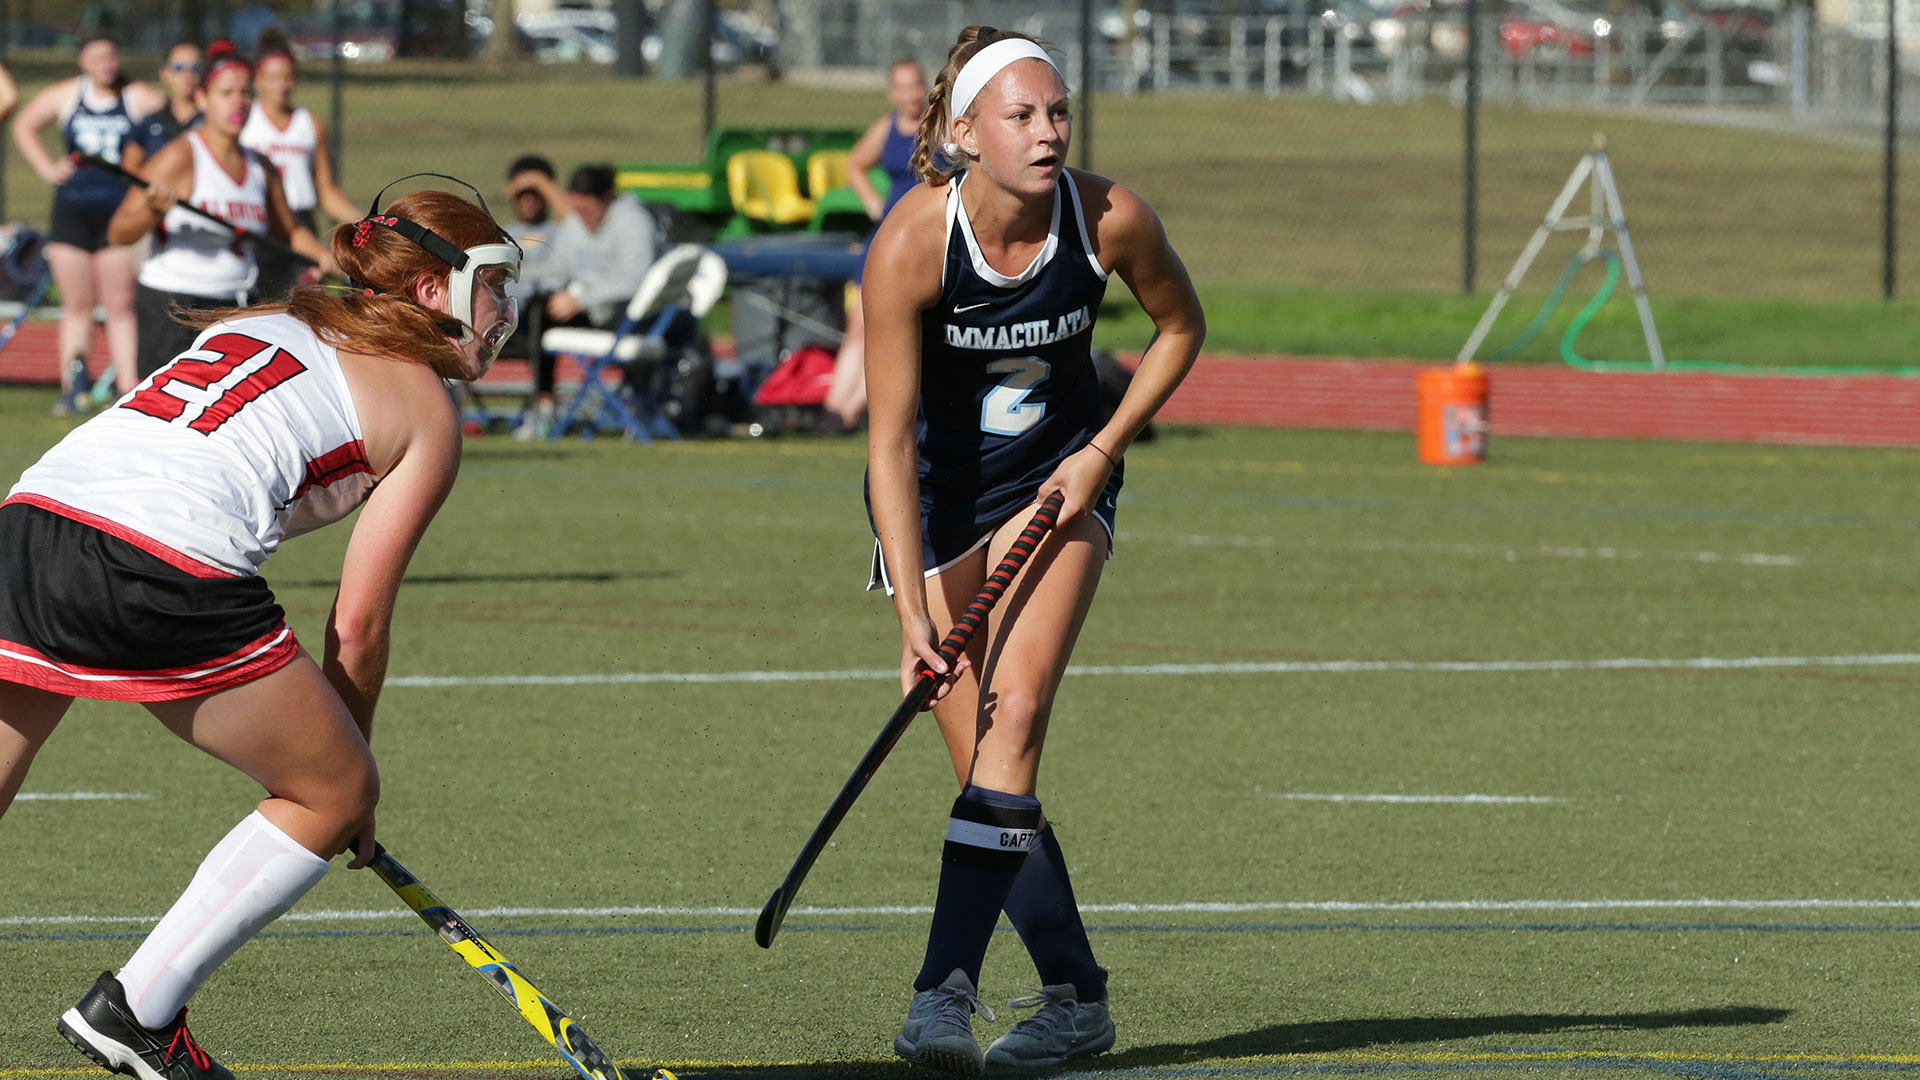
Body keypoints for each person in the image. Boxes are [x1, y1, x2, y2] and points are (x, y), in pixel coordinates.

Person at [0, 181, 522, 1080]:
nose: (506, 310)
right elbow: (355, 626)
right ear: (434, 289)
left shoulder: (267, 321)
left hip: (27, 520)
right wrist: (349, 784)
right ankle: (137, 1013)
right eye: (495, 284)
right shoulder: (430, 413)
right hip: (162, 563)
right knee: (328, 790)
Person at [862, 25, 1204, 1074]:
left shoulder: (1108, 218)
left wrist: (1103, 446)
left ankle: (938, 1001)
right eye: (1021, 116)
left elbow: (1180, 327)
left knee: (1013, 732)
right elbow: (885, 440)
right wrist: (915, 616)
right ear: (965, 133)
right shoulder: (914, 243)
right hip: (933, 503)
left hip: (1058, 486)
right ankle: (1079, 998)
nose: (1048, 132)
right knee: (987, 784)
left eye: (1057, 112)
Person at [109, 41, 333, 382]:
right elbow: (119, 231)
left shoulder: (260, 166)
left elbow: (288, 232)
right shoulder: (181, 157)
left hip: (236, 305)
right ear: (202, 98)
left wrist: (323, 255)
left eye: (245, 93)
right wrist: (152, 210)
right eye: (226, 92)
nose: (237, 102)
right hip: (175, 307)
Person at [10, 36, 161, 415]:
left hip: (118, 215)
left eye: (111, 56)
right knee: (77, 305)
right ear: (82, 60)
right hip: (72, 212)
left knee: (120, 306)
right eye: (97, 57)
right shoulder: (66, 95)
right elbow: (24, 125)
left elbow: (172, 125)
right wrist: (46, 167)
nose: (106, 64)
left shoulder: (137, 97)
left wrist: (147, 173)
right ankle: (71, 386)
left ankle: (128, 386)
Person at [506, 162, 656, 438]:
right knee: (541, 308)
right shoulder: (576, 224)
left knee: (550, 310)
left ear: (607, 200)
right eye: (577, 209)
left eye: (588, 209)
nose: (582, 217)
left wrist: (581, 299)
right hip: (593, 312)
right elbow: (558, 268)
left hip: (629, 318)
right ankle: (544, 406)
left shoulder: (633, 222)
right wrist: (511, 271)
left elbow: (636, 280)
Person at [822, 56, 928, 432]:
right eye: (903, 87)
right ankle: (832, 412)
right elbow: (856, 163)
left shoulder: (942, 126)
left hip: (925, 243)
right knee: (859, 329)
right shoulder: (889, 127)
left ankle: (851, 411)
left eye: (917, 84)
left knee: (899, 335)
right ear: (892, 92)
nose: (912, 93)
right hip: (886, 239)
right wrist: (873, 203)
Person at [240, 29, 361, 299]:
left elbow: (326, 191)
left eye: (288, 76)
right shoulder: (245, 120)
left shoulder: (310, 124)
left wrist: (363, 222)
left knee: (303, 310)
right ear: (257, 78)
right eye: (272, 77)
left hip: (300, 225)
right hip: (261, 226)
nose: (281, 85)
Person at [128, 41, 202, 162]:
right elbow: (131, 172)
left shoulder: (213, 121)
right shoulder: (149, 123)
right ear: (164, 73)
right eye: (178, 67)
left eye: (196, 67)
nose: (187, 74)